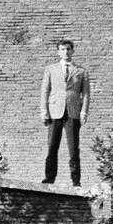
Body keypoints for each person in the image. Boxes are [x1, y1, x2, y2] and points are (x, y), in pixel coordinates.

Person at [39, 39, 89, 187]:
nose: (65, 52)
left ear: (72, 51)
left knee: (73, 148)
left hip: (73, 112)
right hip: (55, 111)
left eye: (68, 49)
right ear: (58, 52)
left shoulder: (81, 71)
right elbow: (45, 90)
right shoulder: (50, 69)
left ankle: (76, 180)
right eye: (62, 49)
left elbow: (86, 94)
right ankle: (49, 178)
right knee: (52, 146)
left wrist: (84, 112)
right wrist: (44, 111)